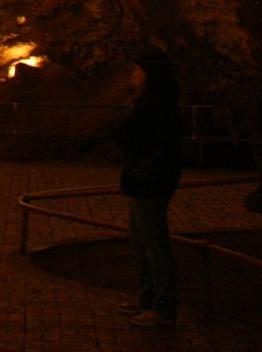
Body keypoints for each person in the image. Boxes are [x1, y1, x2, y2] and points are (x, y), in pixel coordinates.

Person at [112, 46, 183, 328]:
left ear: (150, 74)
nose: (134, 74)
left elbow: (136, 135)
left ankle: (163, 307)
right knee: (142, 240)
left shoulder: (156, 106)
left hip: (150, 179)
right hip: (148, 177)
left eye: (138, 70)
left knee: (153, 242)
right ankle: (147, 296)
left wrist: (123, 129)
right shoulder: (154, 103)